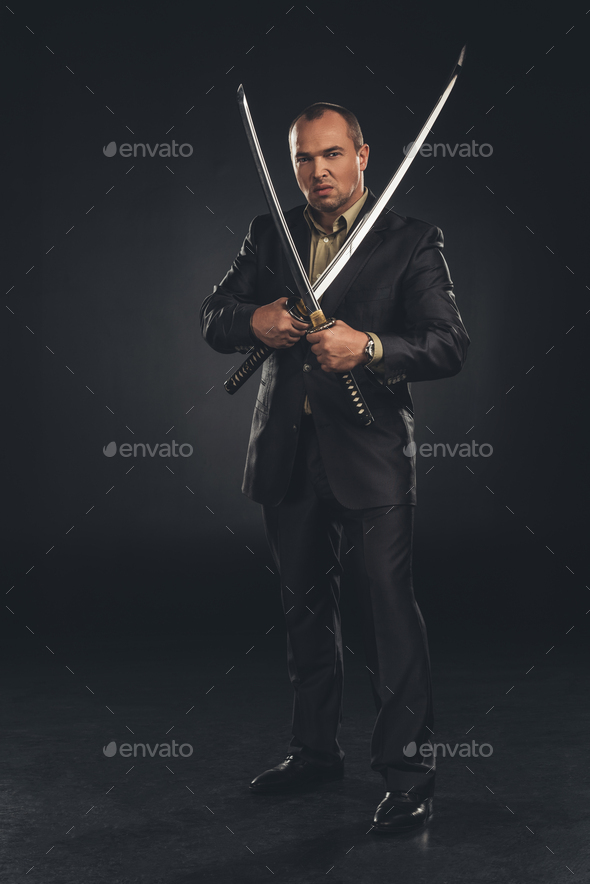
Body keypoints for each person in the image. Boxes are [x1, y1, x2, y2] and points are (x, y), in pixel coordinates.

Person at [200, 101, 469, 833]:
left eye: (331, 154)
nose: (318, 170)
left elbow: (448, 344)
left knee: (388, 614)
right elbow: (215, 316)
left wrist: (371, 348)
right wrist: (253, 321)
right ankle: (314, 753)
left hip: (371, 453)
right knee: (304, 610)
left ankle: (409, 779)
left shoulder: (411, 240)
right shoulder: (269, 233)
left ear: (362, 156)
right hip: (287, 452)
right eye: (304, 157)